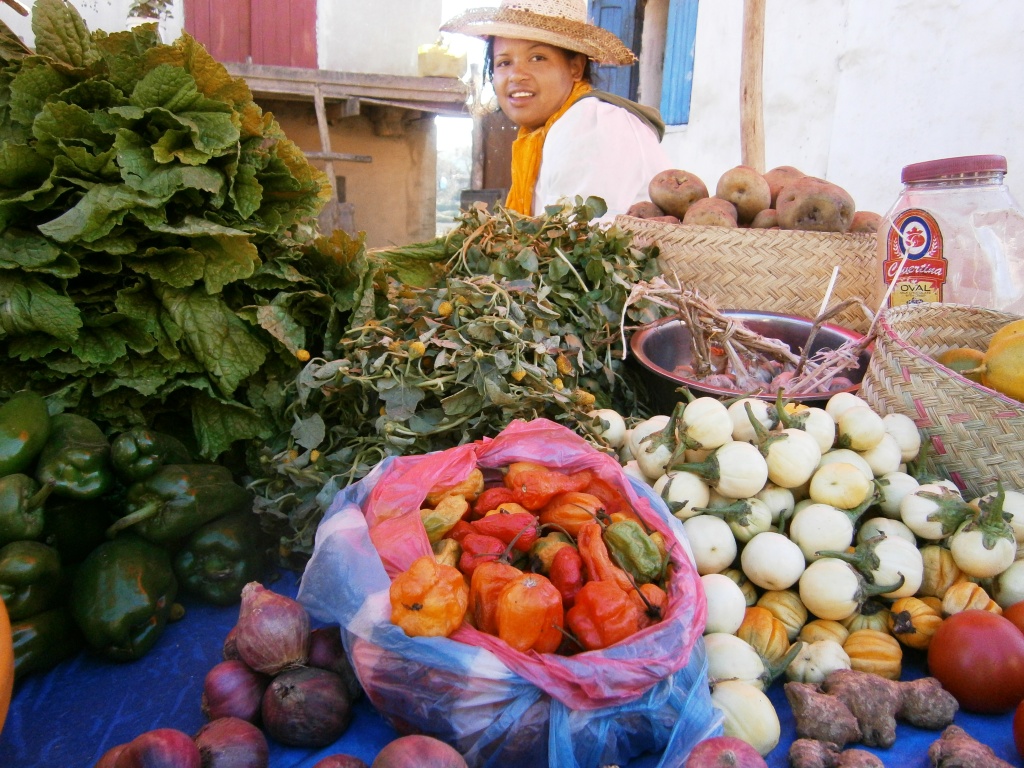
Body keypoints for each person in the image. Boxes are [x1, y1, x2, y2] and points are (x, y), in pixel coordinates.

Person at [441, 0, 672, 221]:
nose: (516, 75)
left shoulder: (591, 123)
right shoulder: (548, 133)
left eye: (537, 58)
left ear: (575, 67)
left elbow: (575, 241)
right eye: (504, 62)